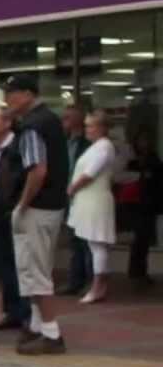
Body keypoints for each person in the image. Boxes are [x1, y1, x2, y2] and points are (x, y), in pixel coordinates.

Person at [3, 73, 70, 355]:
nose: (8, 100)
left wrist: (22, 203)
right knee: (32, 269)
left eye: (12, 94)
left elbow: (37, 170)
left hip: (37, 207)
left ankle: (52, 333)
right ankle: (37, 326)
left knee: (37, 270)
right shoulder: (51, 120)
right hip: (51, 206)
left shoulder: (33, 126)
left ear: (28, 94)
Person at [0, 106, 29, 330]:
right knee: (3, 264)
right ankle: (12, 310)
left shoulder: (17, 147)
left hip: (13, 210)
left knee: (19, 263)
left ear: (7, 123)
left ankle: (25, 311)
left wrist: (18, 206)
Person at [66, 110, 117, 304]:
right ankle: (99, 286)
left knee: (97, 244)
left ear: (102, 128)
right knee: (93, 244)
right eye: (86, 125)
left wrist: (72, 188)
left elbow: (90, 174)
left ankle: (97, 287)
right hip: (88, 200)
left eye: (91, 125)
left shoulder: (104, 147)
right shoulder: (96, 146)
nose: (87, 129)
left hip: (95, 199)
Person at [60, 106, 93, 296]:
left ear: (77, 121)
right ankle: (74, 280)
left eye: (67, 118)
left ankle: (90, 281)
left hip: (82, 194)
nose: (63, 122)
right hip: (68, 196)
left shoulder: (87, 144)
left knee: (86, 241)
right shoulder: (64, 142)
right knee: (74, 240)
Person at [125, 131, 161, 286]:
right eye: (141, 140)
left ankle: (140, 272)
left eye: (146, 140)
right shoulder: (132, 160)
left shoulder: (154, 159)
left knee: (144, 239)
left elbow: (157, 180)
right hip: (135, 204)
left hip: (148, 205)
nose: (143, 143)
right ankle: (135, 271)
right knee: (138, 239)